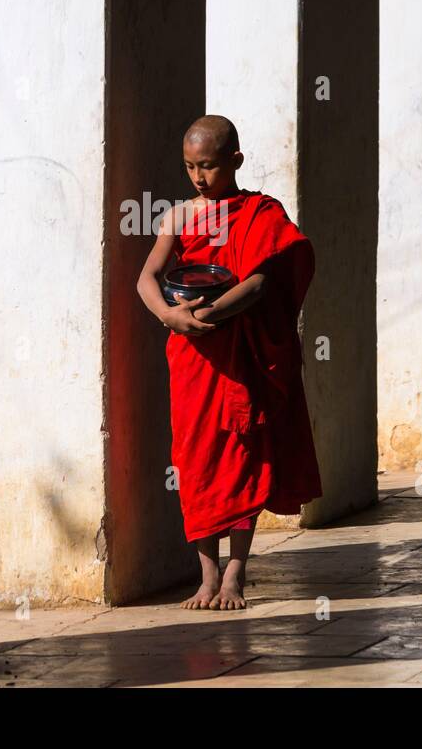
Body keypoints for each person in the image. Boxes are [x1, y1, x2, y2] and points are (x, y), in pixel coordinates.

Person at [136, 115, 323, 610]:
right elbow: (147, 278)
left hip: (240, 350)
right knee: (196, 460)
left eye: (209, 167)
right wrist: (170, 318)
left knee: (242, 455)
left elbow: (262, 281)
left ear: (235, 161)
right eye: (190, 167)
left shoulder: (261, 213)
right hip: (194, 356)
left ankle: (236, 574)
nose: (199, 178)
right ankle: (205, 576)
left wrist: (215, 312)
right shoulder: (178, 216)